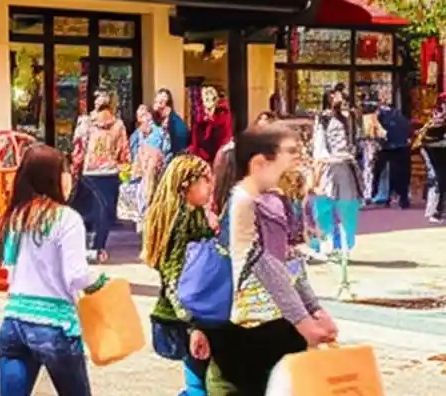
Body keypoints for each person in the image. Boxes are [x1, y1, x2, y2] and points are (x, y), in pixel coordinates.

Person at [205, 125, 336, 395]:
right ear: (260, 163)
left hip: (270, 325)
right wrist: (306, 318)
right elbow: (265, 264)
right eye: (289, 152)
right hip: (249, 329)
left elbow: (289, 259)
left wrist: (314, 310)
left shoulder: (272, 201)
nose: (296, 160)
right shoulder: (244, 201)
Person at [0, 144, 106, 396]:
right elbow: (76, 276)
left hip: (14, 322)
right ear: (52, 178)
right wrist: (98, 282)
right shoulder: (67, 218)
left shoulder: (16, 216)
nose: (69, 178)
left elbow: (7, 269)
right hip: (54, 326)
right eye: (65, 171)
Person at [141, 154, 215, 396]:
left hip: (188, 313)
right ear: (187, 185)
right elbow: (175, 278)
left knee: (198, 381)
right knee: (199, 384)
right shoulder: (181, 221)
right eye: (205, 179)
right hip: (185, 316)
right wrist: (193, 326)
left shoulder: (192, 213)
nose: (210, 184)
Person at [71, 88, 130, 264]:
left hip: (90, 171)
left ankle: (84, 246)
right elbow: (124, 152)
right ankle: (99, 247)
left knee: (85, 210)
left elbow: (78, 149)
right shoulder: (118, 125)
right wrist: (121, 167)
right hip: (110, 173)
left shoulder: (86, 123)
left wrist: (75, 169)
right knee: (104, 212)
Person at [311, 85, 362, 258]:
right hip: (330, 164)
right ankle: (330, 242)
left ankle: (344, 244)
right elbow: (319, 143)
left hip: (346, 163)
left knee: (347, 205)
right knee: (327, 204)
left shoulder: (349, 116)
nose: (338, 96)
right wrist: (321, 162)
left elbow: (355, 138)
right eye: (334, 93)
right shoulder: (322, 118)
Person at [128, 104, 169, 223]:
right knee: (142, 190)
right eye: (140, 116)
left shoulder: (160, 132)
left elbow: (166, 148)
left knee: (152, 189)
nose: (143, 118)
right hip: (142, 167)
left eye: (144, 115)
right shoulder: (138, 134)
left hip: (155, 166)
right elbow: (134, 150)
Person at [374, 98, 412, 209]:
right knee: (402, 172)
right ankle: (402, 198)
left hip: (389, 146)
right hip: (402, 145)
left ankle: (382, 194)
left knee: (385, 172)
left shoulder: (379, 116)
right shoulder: (400, 116)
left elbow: (378, 132)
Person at [415, 95, 446, 224]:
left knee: (439, 180)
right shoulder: (437, 118)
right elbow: (429, 135)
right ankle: (435, 211)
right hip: (436, 151)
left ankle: (436, 210)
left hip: (436, 150)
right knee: (439, 180)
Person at [154, 88, 190, 162]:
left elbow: (180, 151)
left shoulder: (177, 124)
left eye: (158, 101)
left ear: (164, 103)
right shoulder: (157, 120)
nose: (155, 103)